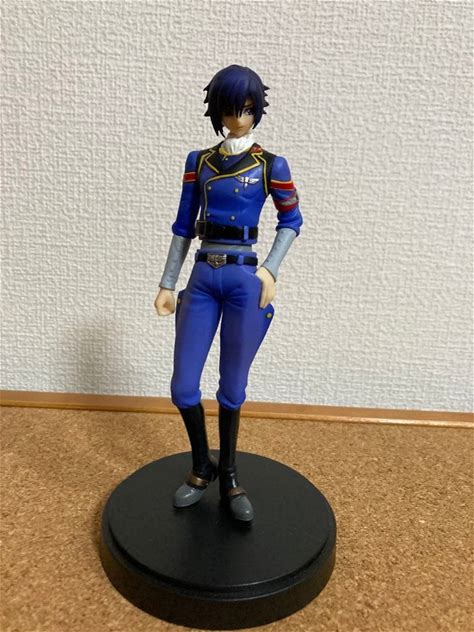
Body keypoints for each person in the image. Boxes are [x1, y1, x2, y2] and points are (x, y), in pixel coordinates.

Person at [154, 65, 303, 522]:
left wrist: (270, 268)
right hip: (202, 277)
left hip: (243, 278)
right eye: (229, 109)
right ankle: (202, 465)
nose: (238, 118)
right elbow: (183, 225)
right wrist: (167, 282)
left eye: (246, 109)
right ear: (216, 111)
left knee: (233, 387)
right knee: (183, 387)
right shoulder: (199, 161)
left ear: (257, 110)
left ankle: (231, 474)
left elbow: (292, 219)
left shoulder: (270, 164)